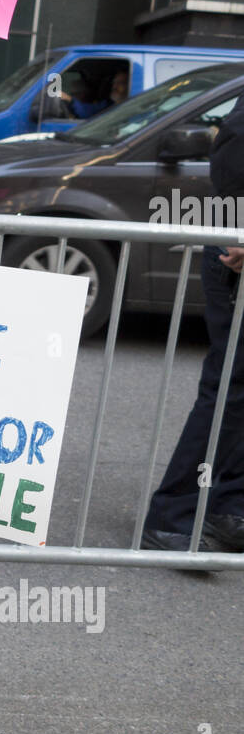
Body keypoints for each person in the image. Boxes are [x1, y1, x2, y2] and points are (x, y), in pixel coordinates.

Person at [141, 96, 244, 553]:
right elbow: (235, 150)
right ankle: (173, 517)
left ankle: (229, 508)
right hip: (236, 254)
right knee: (230, 387)